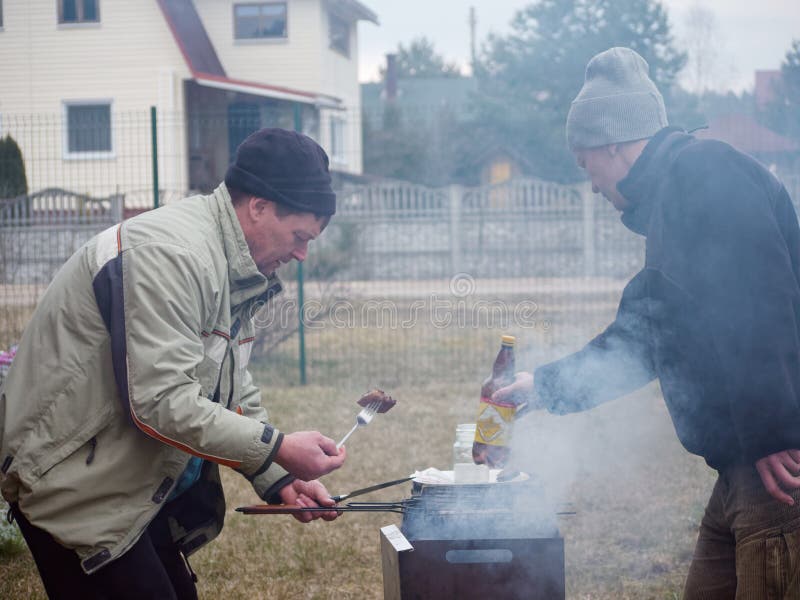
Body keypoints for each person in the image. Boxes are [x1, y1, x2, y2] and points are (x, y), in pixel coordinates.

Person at [497, 47, 800, 598]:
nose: (589, 183)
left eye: (585, 163)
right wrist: (542, 387)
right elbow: (643, 339)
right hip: (739, 469)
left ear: (612, 143)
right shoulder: (673, 205)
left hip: (777, 472)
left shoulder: (708, 172)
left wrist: (774, 430)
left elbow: (762, 299)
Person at [0, 128, 348, 599]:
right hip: (72, 483)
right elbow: (161, 402)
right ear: (260, 207)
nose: (303, 254)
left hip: (130, 482)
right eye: (300, 236)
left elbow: (230, 385)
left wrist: (279, 475)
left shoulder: (233, 266)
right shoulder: (174, 256)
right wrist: (278, 446)